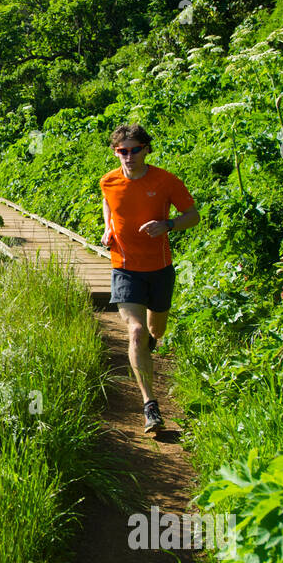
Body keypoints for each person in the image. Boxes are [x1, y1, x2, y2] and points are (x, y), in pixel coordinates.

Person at [99, 124, 199, 434]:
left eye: (134, 150)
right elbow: (109, 205)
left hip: (159, 269)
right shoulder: (108, 181)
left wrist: (168, 224)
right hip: (124, 267)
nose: (128, 156)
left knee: (156, 329)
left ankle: (149, 344)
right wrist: (108, 228)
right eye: (122, 151)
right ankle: (150, 406)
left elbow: (193, 216)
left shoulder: (166, 180)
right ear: (117, 152)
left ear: (146, 149)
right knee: (136, 331)